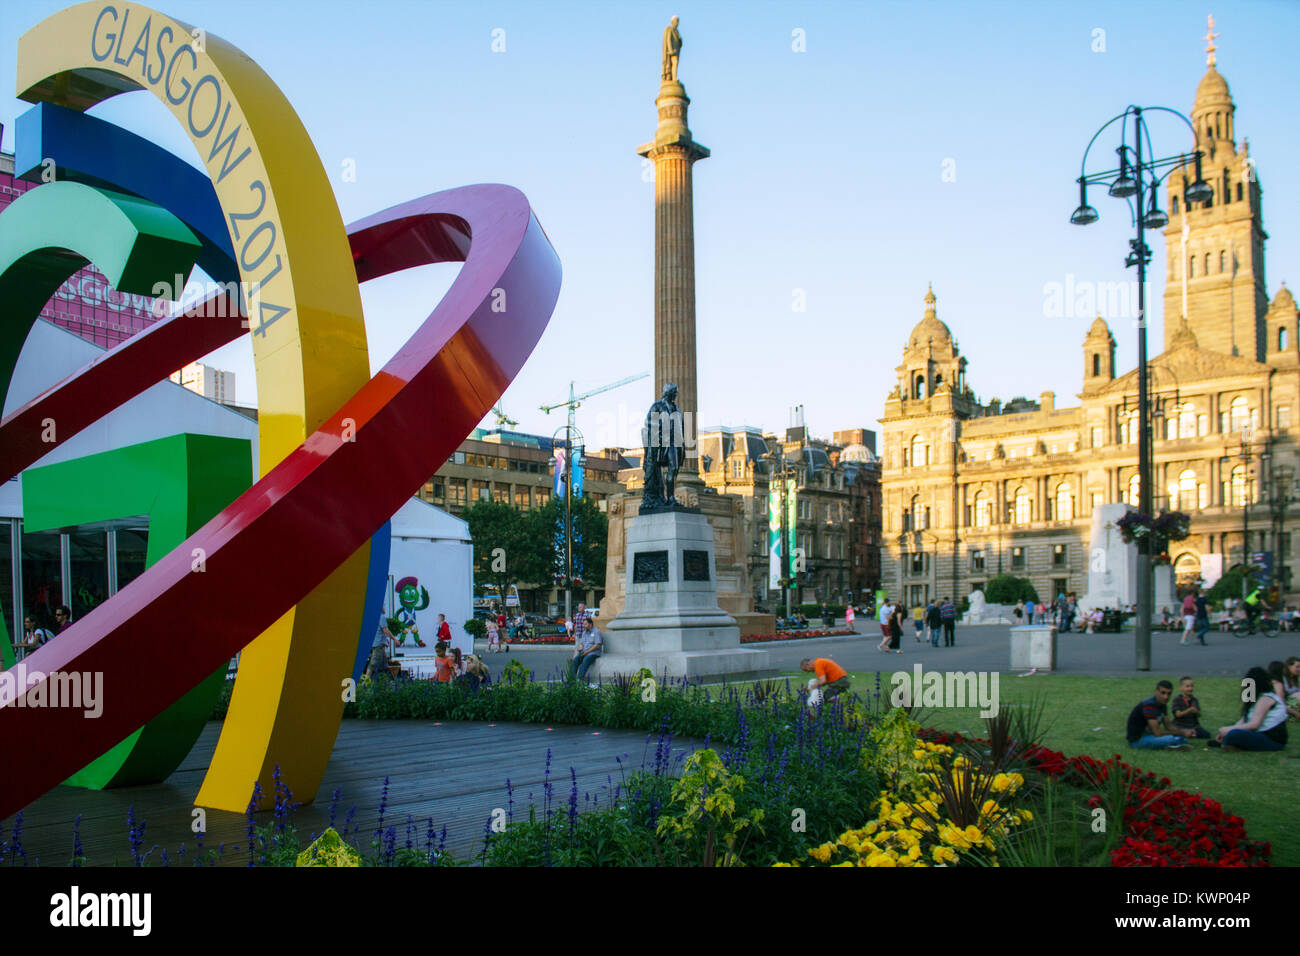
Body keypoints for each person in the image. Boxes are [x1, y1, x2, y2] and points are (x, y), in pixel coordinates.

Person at [1212, 667, 1288, 751]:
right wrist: (1226, 730)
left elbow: (1254, 725)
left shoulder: (1266, 698)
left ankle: (1231, 744)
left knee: (1234, 734)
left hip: (1271, 739)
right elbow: (1245, 719)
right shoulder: (1257, 698)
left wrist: (1228, 730)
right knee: (1232, 733)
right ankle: (1230, 743)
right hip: (1260, 734)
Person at [1125, 680, 1197, 750]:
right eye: (1163, 693)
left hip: (1150, 735)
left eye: (1169, 694)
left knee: (1180, 738)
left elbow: (1169, 726)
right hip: (1138, 740)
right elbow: (1157, 733)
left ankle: (1171, 745)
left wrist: (1185, 731)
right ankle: (1171, 745)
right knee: (1172, 739)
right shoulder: (1149, 705)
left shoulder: (1162, 704)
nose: (1166, 697)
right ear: (1156, 692)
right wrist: (1182, 733)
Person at [568, 617, 602, 682]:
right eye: (583, 624)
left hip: (593, 653)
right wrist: (580, 647)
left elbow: (598, 645)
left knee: (585, 661)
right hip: (584, 652)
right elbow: (582, 643)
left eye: (585, 624)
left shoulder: (596, 632)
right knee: (575, 660)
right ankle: (571, 679)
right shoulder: (584, 632)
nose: (584, 626)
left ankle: (579, 679)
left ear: (590, 624)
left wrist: (587, 652)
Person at [364, 615, 395, 679]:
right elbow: (385, 630)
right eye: (383, 605)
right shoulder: (381, 617)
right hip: (379, 644)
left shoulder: (373, 616)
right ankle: (365, 682)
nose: (384, 607)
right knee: (373, 664)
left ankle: (387, 681)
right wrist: (395, 639)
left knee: (384, 665)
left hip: (376, 644)